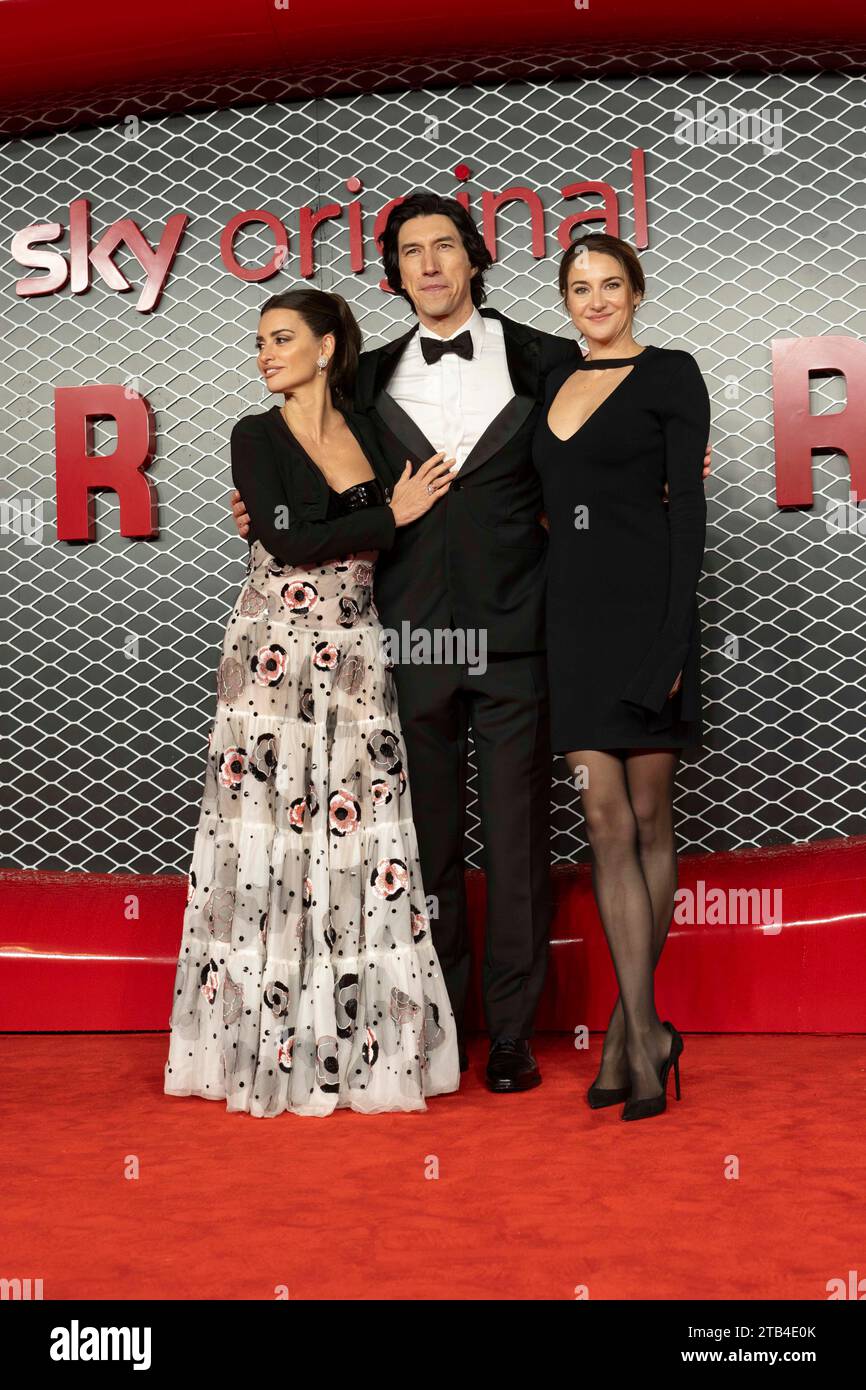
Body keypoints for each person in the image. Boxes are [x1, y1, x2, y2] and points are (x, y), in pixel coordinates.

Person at [230, 192, 712, 1095]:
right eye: (411, 252)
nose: (430, 266)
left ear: (474, 258)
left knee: (520, 842)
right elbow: (307, 462)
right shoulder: (362, 379)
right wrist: (266, 512)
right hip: (407, 641)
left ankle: (517, 1033)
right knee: (429, 844)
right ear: (396, 272)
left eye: (444, 247)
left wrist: (666, 485)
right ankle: (445, 1021)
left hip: (525, 634)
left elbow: (620, 438)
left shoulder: (548, 358)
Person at [164, 286, 461, 1117]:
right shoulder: (254, 435)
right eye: (260, 340)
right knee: (274, 834)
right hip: (272, 655)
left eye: (283, 338)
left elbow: (310, 526)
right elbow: (287, 538)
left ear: (328, 348)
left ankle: (358, 1046)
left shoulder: (369, 429)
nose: (265, 353)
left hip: (358, 649)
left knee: (359, 831)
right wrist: (386, 517)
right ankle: (265, 1048)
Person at [532, 232, 710, 1120]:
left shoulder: (673, 373)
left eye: (609, 284)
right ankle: (646, 1034)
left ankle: (627, 1038)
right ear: (564, 301)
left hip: (649, 618)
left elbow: (690, 518)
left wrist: (674, 644)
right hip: (573, 627)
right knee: (603, 821)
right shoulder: (551, 385)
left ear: (636, 291)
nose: (594, 299)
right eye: (578, 287)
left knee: (646, 817)